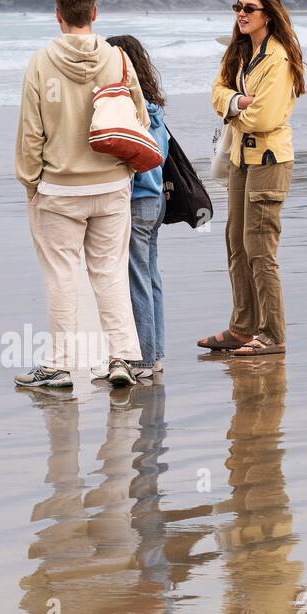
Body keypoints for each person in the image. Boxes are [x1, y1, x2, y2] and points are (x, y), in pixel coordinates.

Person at [14, 0, 149, 390]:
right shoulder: (119, 60)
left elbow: (31, 132)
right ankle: (123, 357)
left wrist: (31, 182)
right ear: (94, 12)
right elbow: (139, 122)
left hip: (58, 188)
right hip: (110, 185)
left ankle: (57, 366)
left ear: (58, 16)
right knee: (108, 273)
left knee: (61, 276)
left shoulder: (40, 61)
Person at [199, 0, 306, 357]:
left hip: (269, 160)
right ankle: (243, 328)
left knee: (260, 249)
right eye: (237, 7)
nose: (241, 13)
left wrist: (237, 107)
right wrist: (236, 100)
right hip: (240, 160)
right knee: (236, 244)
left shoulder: (278, 59)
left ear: (268, 15)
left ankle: (272, 334)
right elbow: (216, 92)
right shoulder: (241, 52)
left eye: (249, 8)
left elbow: (264, 117)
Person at [107, 35, 169, 380]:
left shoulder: (128, 108)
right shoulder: (153, 106)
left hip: (138, 199)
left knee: (136, 279)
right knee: (150, 276)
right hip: (157, 199)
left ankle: (143, 358)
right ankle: (155, 352)